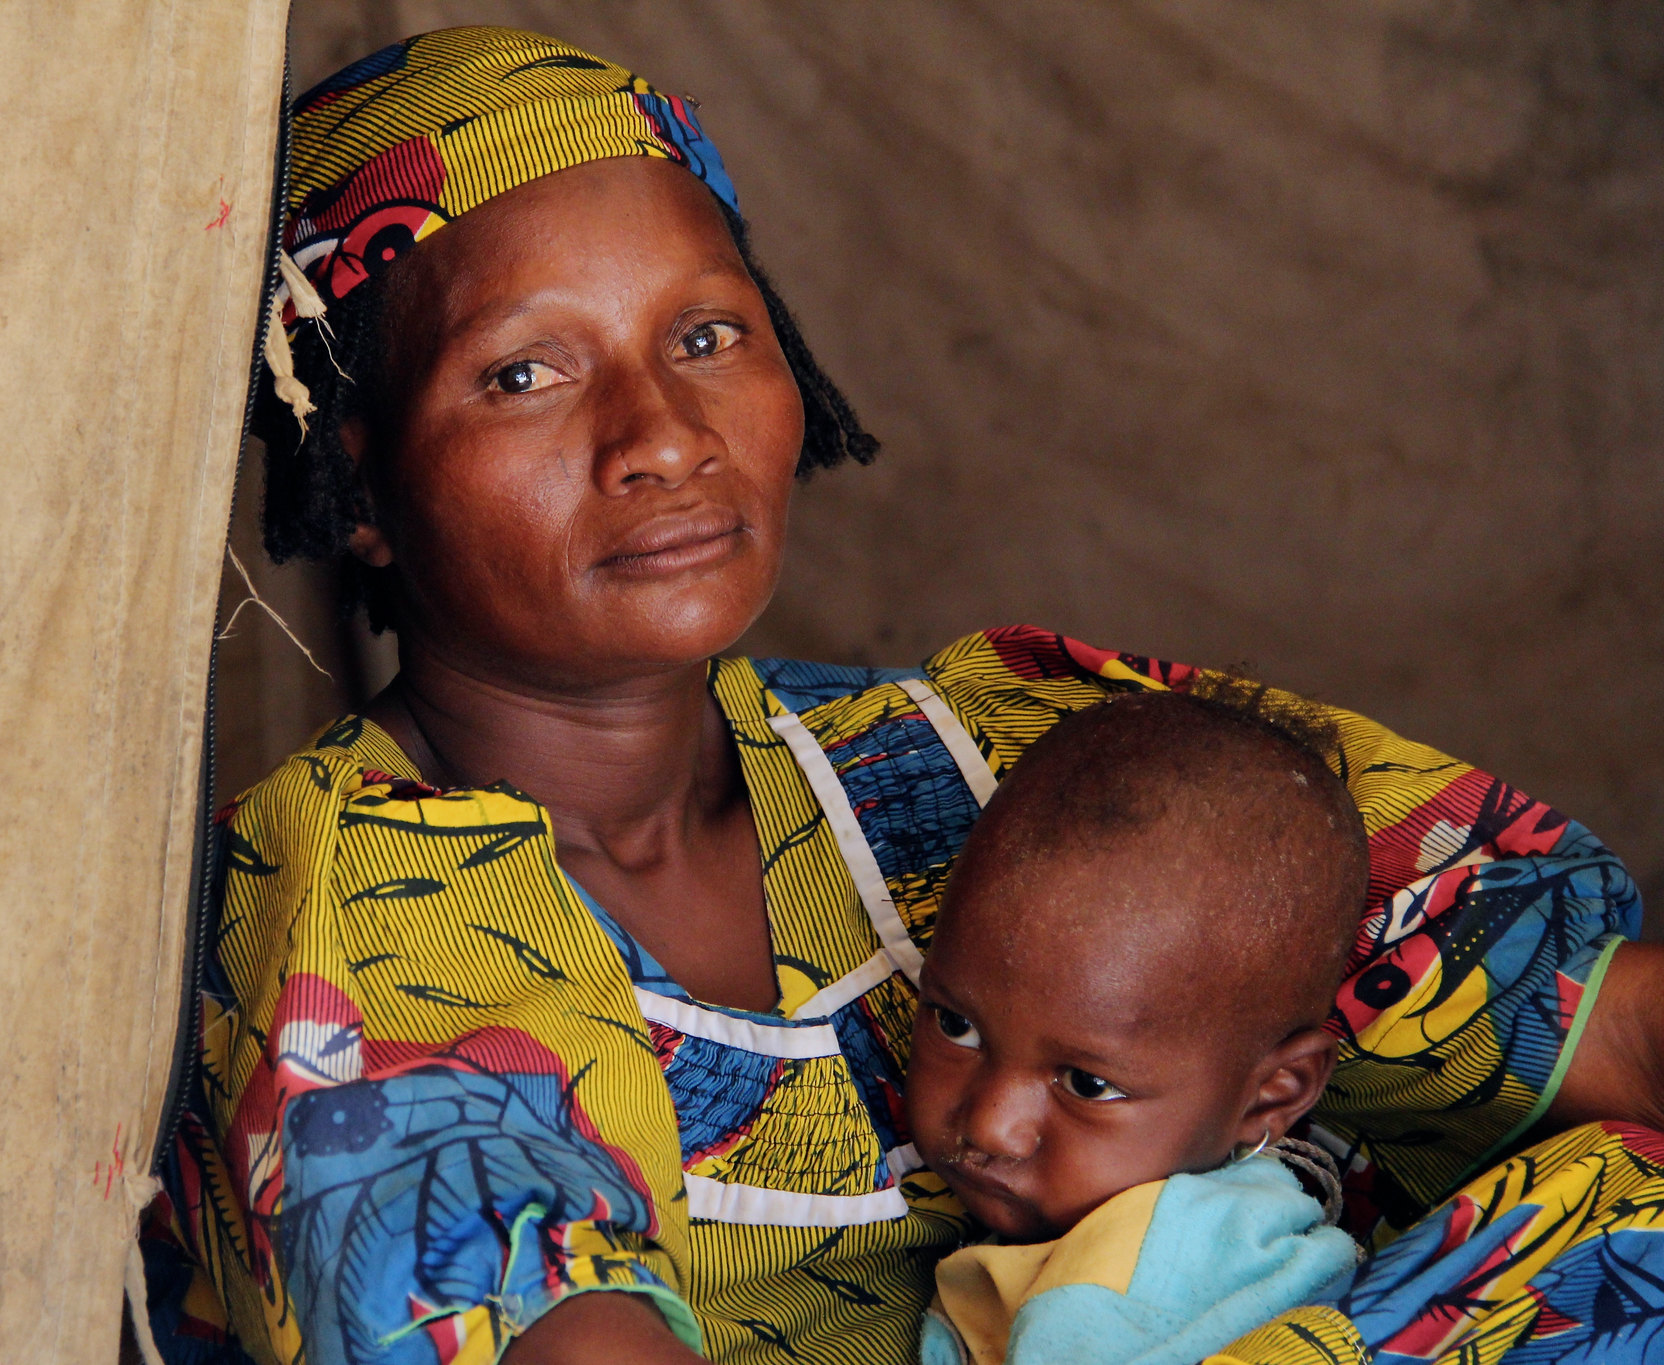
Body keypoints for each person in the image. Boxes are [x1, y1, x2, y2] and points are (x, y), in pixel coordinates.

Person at [136, 27, 1664, 1365]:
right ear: (358, 480)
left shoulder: (975, 755)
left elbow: (1597, 1027)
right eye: (526, 374)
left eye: (707, 334)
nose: (661, 434)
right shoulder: (355, 902)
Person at [907, 687, 1368, 1365]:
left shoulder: (1121, 1296)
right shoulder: (1219, 1229)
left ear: (1273, 1092)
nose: (990, 1126)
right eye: (956, 1024)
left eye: (1087, 1083)